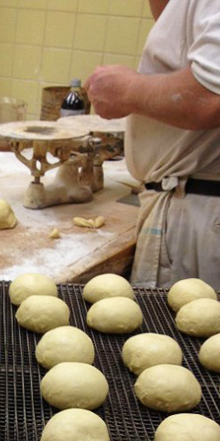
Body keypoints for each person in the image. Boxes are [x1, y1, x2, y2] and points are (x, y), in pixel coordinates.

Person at [84, 0, 220, 288]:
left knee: (186, 331)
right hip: (195, 203)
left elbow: (211, 97)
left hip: (202, 216)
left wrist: (128, 91)